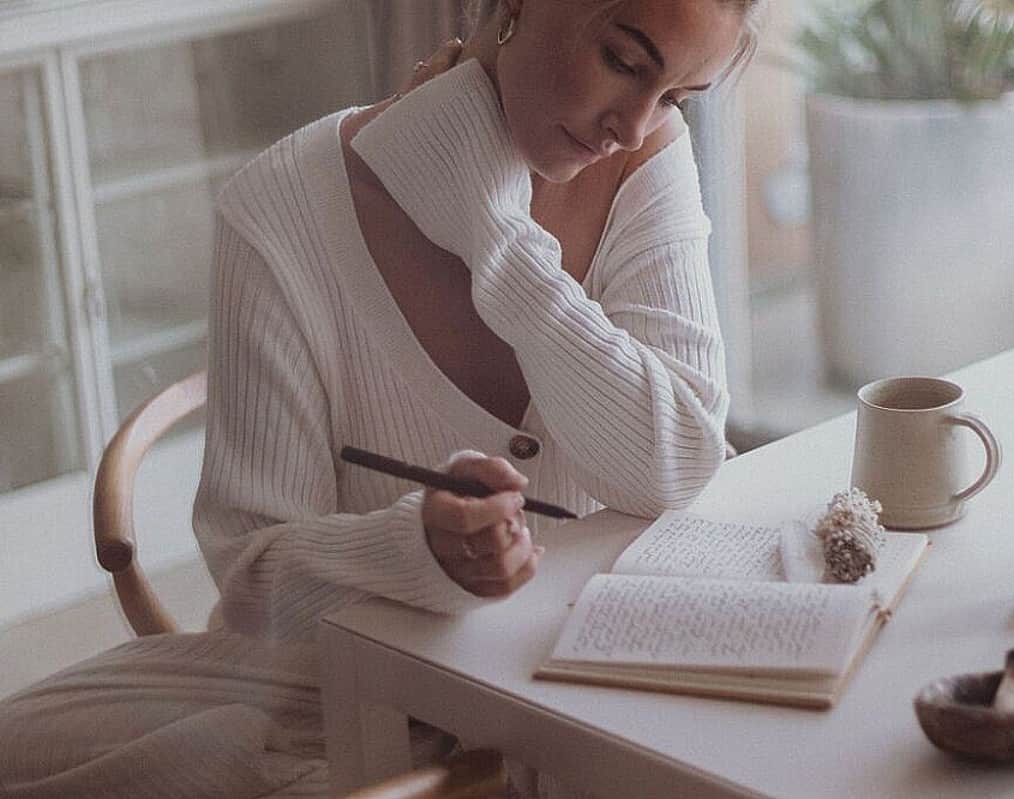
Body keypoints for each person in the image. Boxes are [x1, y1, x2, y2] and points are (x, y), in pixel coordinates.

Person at [0, 1, 764, 796]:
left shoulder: (645, 166)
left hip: (581, 709)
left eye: (676, 96)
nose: (634, 126)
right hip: (339, 708)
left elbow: (671, 462)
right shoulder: (282, 208)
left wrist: (496, 237)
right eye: (623, 61)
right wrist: (416, 554)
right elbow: (257, 586)